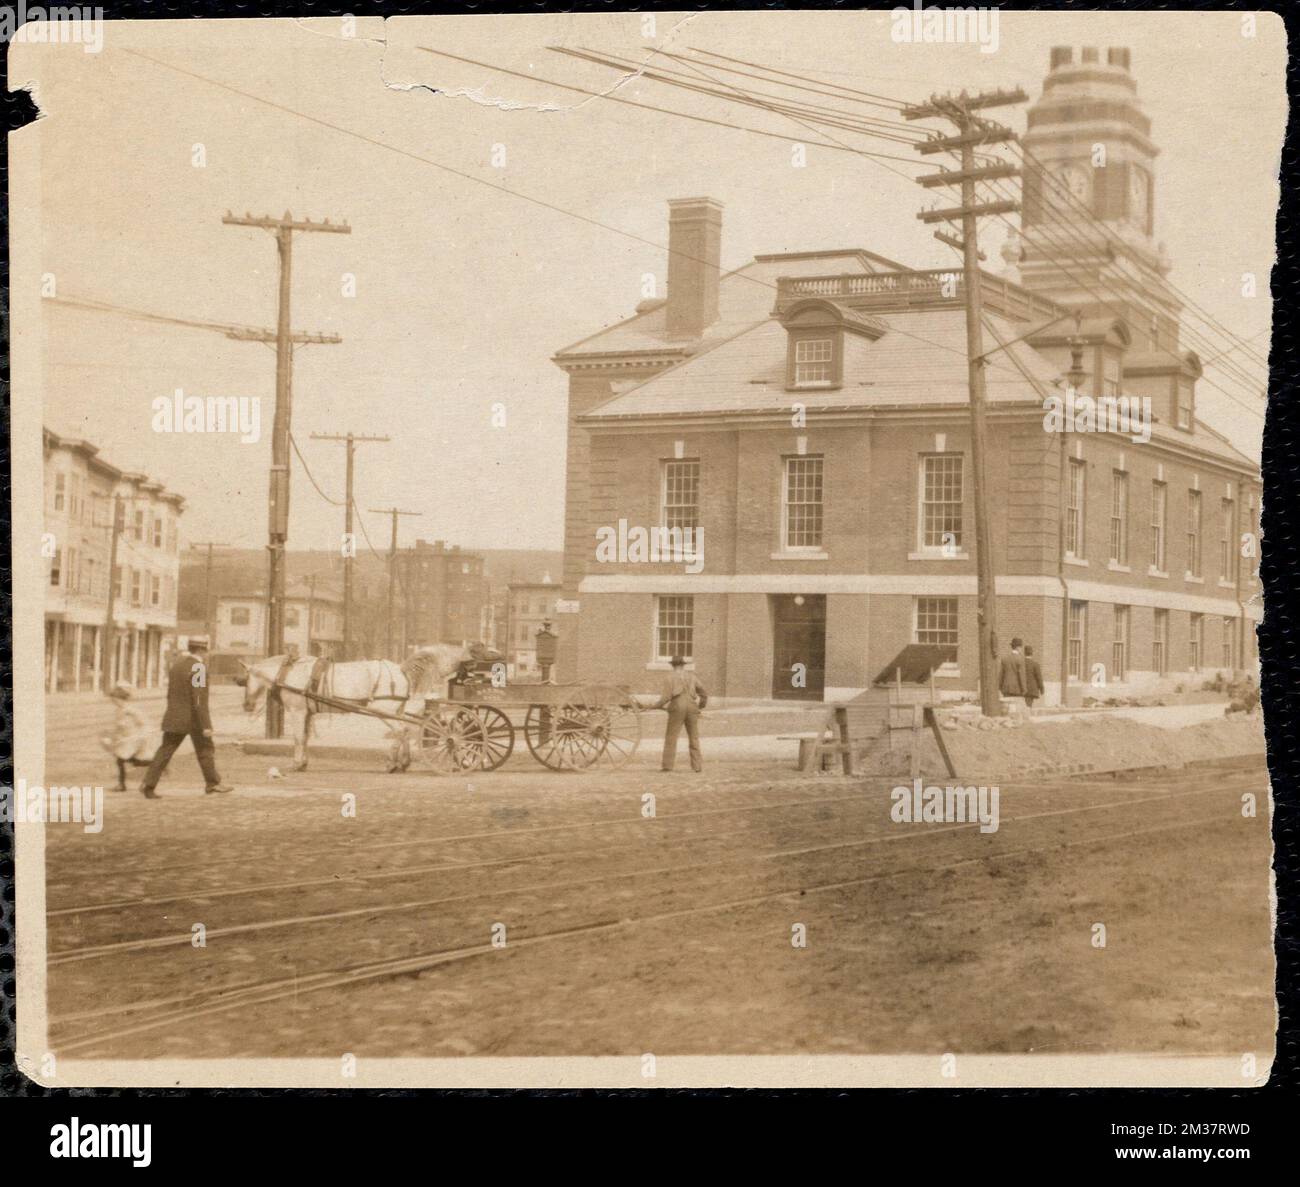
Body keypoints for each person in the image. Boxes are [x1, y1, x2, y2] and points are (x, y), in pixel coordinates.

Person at [138, 635, 233, 798]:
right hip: (193, 719)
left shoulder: (177, 665)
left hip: (175, 717)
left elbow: (170, 694)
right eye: (206, 651)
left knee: (165, 751)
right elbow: (198, 698)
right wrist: (206, 725)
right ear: (202, 650)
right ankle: (213, 784)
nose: (207, 654)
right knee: (205, 749)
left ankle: (148, 784)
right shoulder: (199, 668)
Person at [656, 655, 707, 773]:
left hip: (677, 706)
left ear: (672, 665)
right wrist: (700, 707)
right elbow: (704, 693)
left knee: (671, 736)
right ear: (683, 665)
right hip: (692, 706)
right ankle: (697, 766)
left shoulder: (670, 677)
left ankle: (668, 766)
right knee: (693, 736)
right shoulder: (692, 676)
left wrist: (656, 705)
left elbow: (666, 697)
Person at [100, 681, 153, 791]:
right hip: (127, 740)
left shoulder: (131, 710)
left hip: (135, 739)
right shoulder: (120, 710)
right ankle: (156, 765)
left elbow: (143, 723)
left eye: (114, 699)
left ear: (120, 699)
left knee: (123, 760)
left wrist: (142, 737)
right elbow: (119, 727)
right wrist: (111, 736)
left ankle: (122, 785)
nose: (113, 701)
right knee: (132, 761)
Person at [998, 637, 1027, 707]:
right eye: (1020, 647)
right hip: (1017, 689)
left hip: (1005, 688)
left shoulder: (1005, 659)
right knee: (1015, 709)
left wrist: (999, 687)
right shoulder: (1021, 659)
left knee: (1007, 708)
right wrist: (1024, 689)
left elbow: (1001, 675)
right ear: (1018, 647)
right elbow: (1021, 675)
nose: (1021, 649)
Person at [1023, 645, 1045, 710]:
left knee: (1023, 705)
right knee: (1029, 704)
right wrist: (1042, 689)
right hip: (1031, 689)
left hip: (1021, 688)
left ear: (1024, 653)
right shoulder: (1035, 664)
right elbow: (1039, 678)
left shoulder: (1021, 663)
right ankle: (1027, 716)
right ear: (1032, 653)